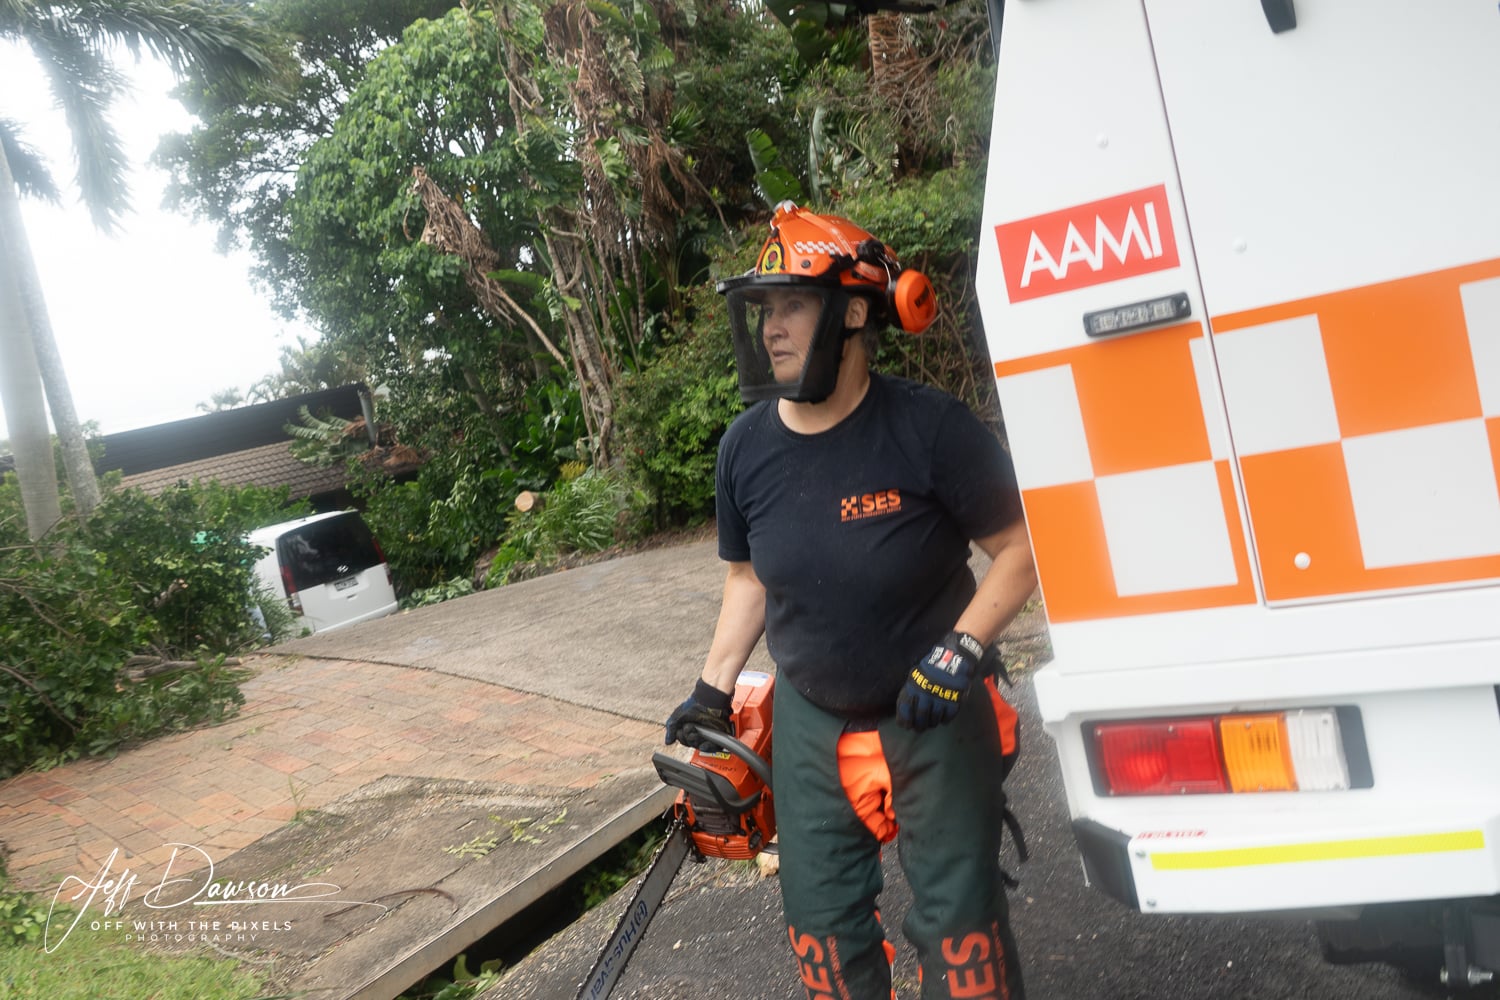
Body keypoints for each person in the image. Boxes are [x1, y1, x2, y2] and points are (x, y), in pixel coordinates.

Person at [664, 202, 1037, 1000]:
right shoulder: (746, 448)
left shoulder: (929, 429)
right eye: (764, 309)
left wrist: (961, 650)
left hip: (933, 706)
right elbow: (749, 579)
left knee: (961, 936)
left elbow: (1021, 548)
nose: (772, 328)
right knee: (823, 936)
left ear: (857, 310)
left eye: (793, 305)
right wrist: (712, 690)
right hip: (810, 716)